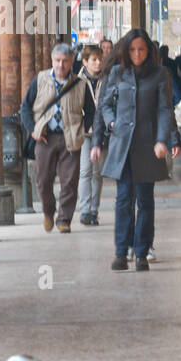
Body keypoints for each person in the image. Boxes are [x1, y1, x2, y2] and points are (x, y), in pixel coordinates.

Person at [91, 28, 181, 272]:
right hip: (122, 146)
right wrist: (108, 127)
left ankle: (142, 252)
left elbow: (165, 110)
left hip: (147, 146)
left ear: (148, 50)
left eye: (141, 49)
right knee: (123, 200)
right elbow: (105, 105)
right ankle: (121, 251)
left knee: (145, 200)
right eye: (132, 49)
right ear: (125, 50)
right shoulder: (117, 73)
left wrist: (163, 139)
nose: (137, 54)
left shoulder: (160, 75)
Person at [20, 43, 87, 233]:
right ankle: (48, 212)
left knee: (69, 181)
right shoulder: (40, 79)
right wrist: (33, 130)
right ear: (52, 61)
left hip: (70, 138)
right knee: (43, 179)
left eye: (65, 61)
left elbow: (90, 112)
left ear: (72, 62)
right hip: (45, 138)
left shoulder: (80, 84)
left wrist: (84, 130)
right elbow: (25, 107)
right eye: (57, 61)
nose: (61, 65)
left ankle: (64, 219)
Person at [77, 44, 107, 226]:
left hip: (102, 132)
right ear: (85, 62)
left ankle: (94, 211)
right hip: (86, 132)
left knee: (98, 173)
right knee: (85, 171)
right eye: (94, 60)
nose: (98, 63)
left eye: (100, 59)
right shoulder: (78, 81)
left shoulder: (107, 80)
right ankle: (84, 210)